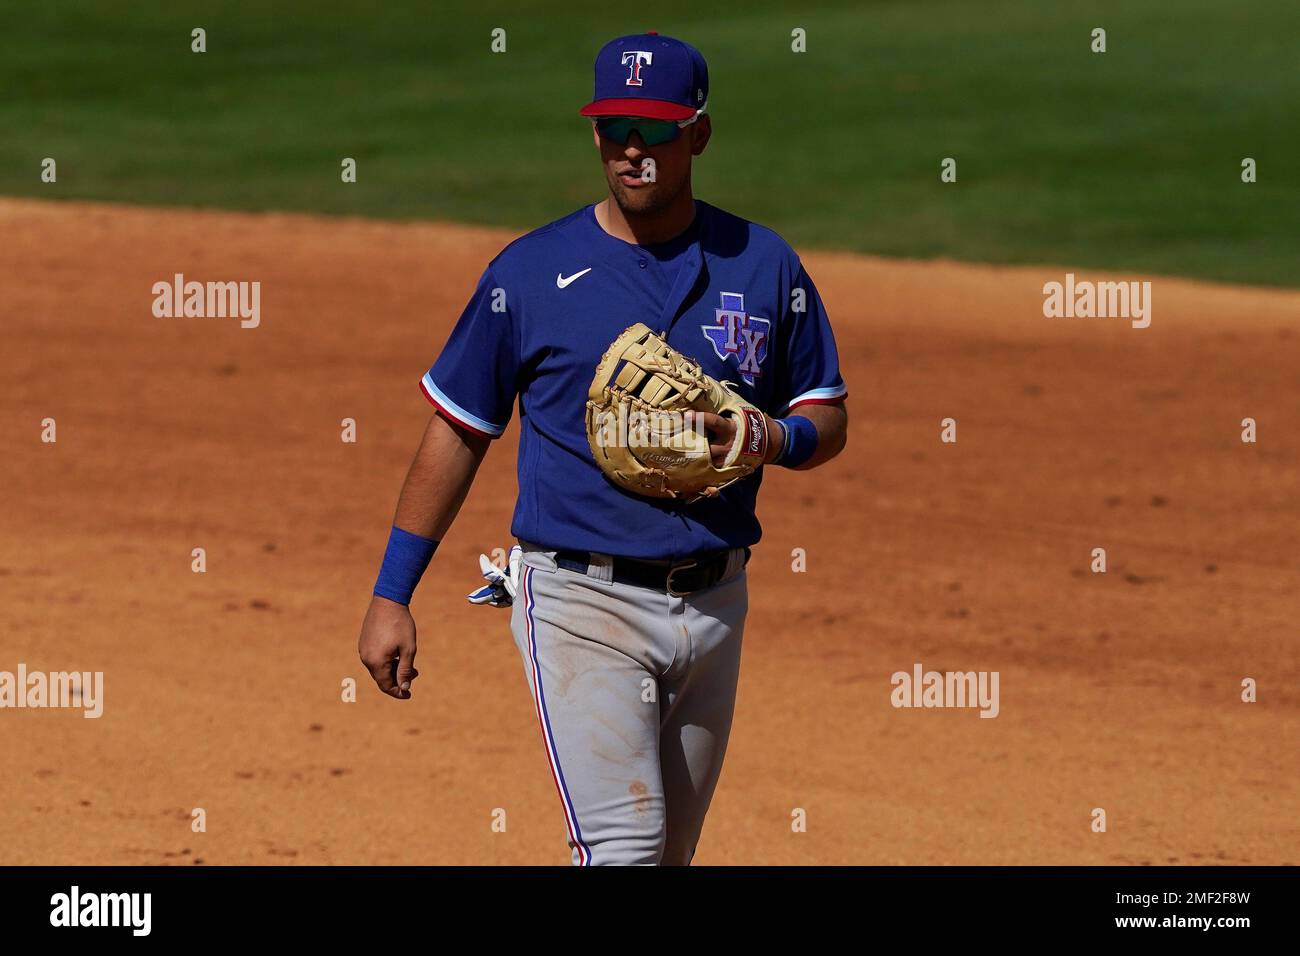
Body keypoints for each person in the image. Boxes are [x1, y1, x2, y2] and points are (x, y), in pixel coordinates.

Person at [358, 32, 848, 865]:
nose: (634, 148)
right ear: (593, 133)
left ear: (698, 133)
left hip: (716, 601)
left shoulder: (764, 265)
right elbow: (459, 428)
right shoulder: (530, 274)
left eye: (656, 129)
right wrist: (392, 592)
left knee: (666, 859)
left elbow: (825, 411)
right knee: (623, 850)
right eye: (616, 126)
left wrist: (779, 436)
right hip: (582, 601)